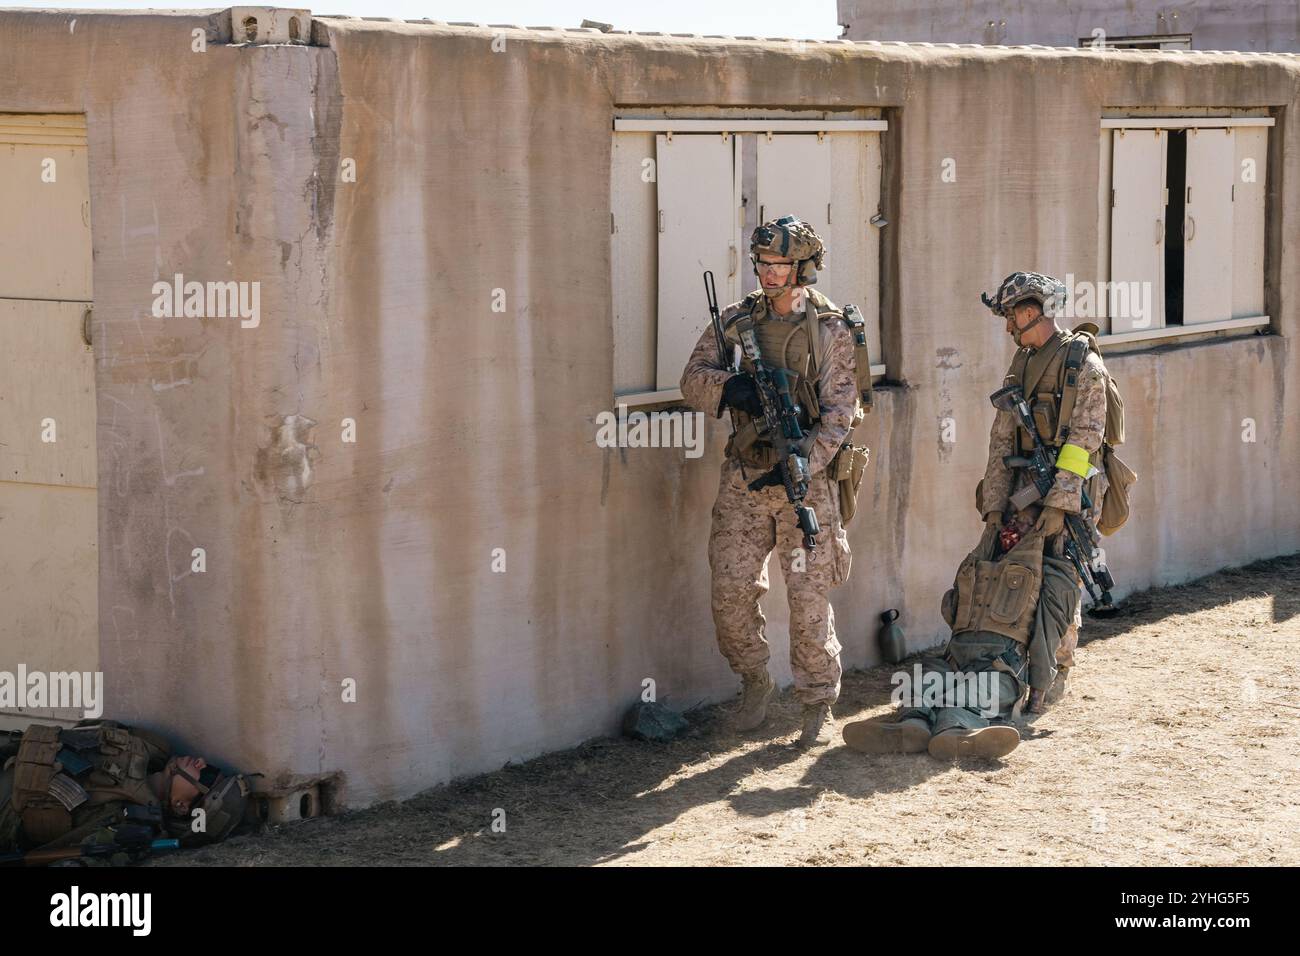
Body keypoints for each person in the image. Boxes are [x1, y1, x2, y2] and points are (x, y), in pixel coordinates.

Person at [842, 271, 1113, 759]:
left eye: (1022, 312)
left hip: (1068, 498)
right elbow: (1001, 439)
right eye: (1010, 315)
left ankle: (1049, 680)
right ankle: (968, 688)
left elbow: (1086, 439)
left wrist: (1059, 503)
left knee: (1059, 581)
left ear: (1044, 308)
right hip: (1022, 493)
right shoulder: (1022, 365)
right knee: (999, 581)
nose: (1015, 322)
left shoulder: (1082, 364)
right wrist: (995, 504)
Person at [680, 215, 868, 748]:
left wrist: (803, 462)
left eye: (779, 264)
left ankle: (816, 704)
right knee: (730, 591)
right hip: (745, 478)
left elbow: (840, 412)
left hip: (805, 481)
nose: (768, 272)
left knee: (809, 601)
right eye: (762, 262)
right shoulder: (737, 320)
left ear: (802, 268)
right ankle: (755, 681)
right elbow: (691, 380)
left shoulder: (830, 329)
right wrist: (731, 389)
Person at [0, 718, 248, 858]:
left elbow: (92, 853)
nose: (201, 763)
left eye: (206, 775)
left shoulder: (133, 823)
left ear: (182, 806)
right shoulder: (150, 748)